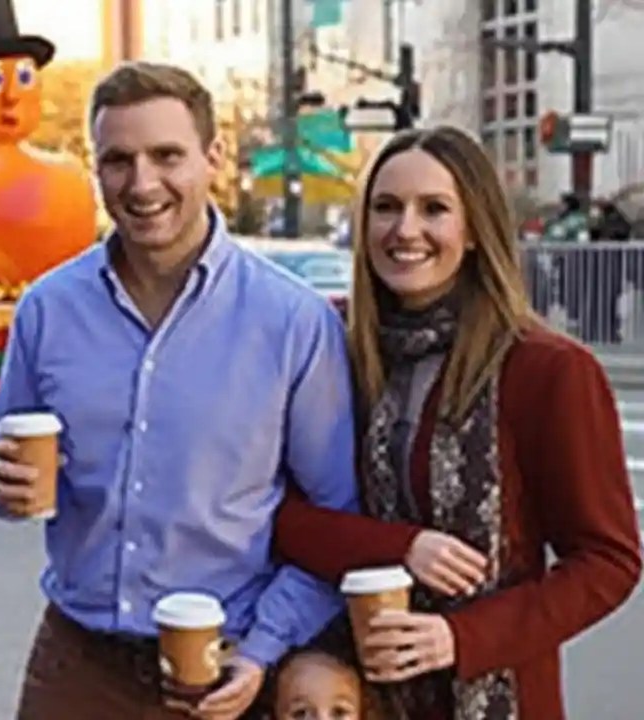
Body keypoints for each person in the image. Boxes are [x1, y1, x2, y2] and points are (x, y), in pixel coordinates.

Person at [0, 61, 360, 719]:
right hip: (78, 663)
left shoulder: (293, 322)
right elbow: (0, 464)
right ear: (96, 168)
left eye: (166, 156)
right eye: (118, 160)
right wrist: (3, 486)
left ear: (213, 156)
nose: (142, 183)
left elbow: (337, 517)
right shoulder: (46, 309)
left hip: (219, 669)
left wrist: (264, 650)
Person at [273, 126, 641, 719]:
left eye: (435, 209)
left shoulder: (548, 369)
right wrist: (400, 548)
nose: (405, 230)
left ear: (474, 230)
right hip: (358, 694)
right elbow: (276, 514)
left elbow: (607, 562)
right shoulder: (331, 346)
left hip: (497, 698)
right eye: (385, 208)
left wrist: (462, 637)